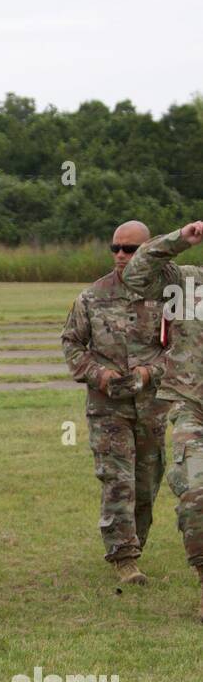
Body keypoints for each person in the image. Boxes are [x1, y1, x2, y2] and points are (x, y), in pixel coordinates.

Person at [62, 220, 169, 585]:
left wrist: (149, 372)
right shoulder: (91, 297)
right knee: (117, 480)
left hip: (152, 406)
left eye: (130, 249)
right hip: (108, 407)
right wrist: (99, 375)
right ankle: (124, 556)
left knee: (146, 482)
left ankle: (136, 541)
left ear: (149, 250)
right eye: (116, 248)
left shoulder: (168, 294)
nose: (121, 256)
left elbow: (182, 349)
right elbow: (72, 344)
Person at [122, 217, 203, 615]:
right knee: (194, 494)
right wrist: (178, 239)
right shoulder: (186, 285)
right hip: (192, 404)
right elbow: (137, 275)